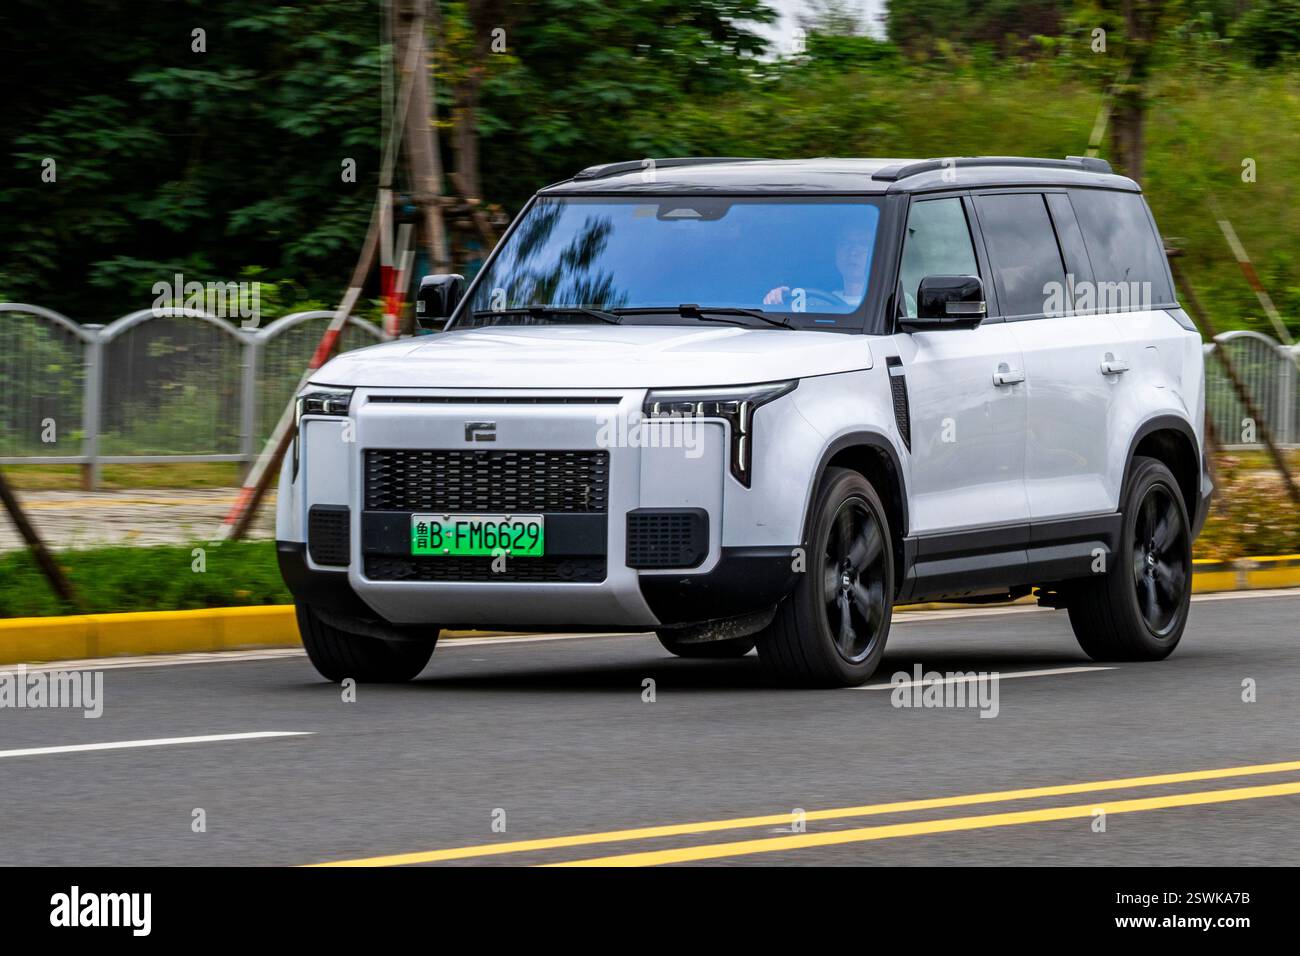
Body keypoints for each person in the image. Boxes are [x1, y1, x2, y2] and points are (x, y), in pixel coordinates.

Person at [763, 225, 872, 309]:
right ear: (836, 252)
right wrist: (777, 299)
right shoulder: (817, 304)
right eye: (844, 243)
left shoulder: (882, 306)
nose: (853, 252)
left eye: (863, 243)